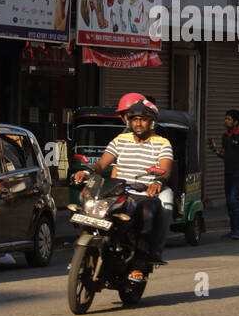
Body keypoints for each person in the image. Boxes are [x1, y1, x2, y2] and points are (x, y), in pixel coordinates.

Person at [71, 93, 173, 278]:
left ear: (151, 122)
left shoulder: (162, 143)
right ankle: (84, 253)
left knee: (147, 212)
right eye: (135, 119)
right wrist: (87, 173)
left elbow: (165, 169)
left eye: (143, 120)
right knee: (88, 208)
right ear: (129, 122)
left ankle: (140, 262)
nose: (139, 123)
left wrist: (158, 181)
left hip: (144, 192)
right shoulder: (119, 141)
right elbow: (101, 165)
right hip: (118, 190)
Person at [209, 109, 239, 239]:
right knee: (229, 201)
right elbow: (224, 154)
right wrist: (215, 150)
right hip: (228, 173)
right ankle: (233, 230)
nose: (226, 121)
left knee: (233, 199)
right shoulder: (225, 136)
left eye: (229, 119)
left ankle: (238, 229)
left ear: (236, 122)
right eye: (226, 118)